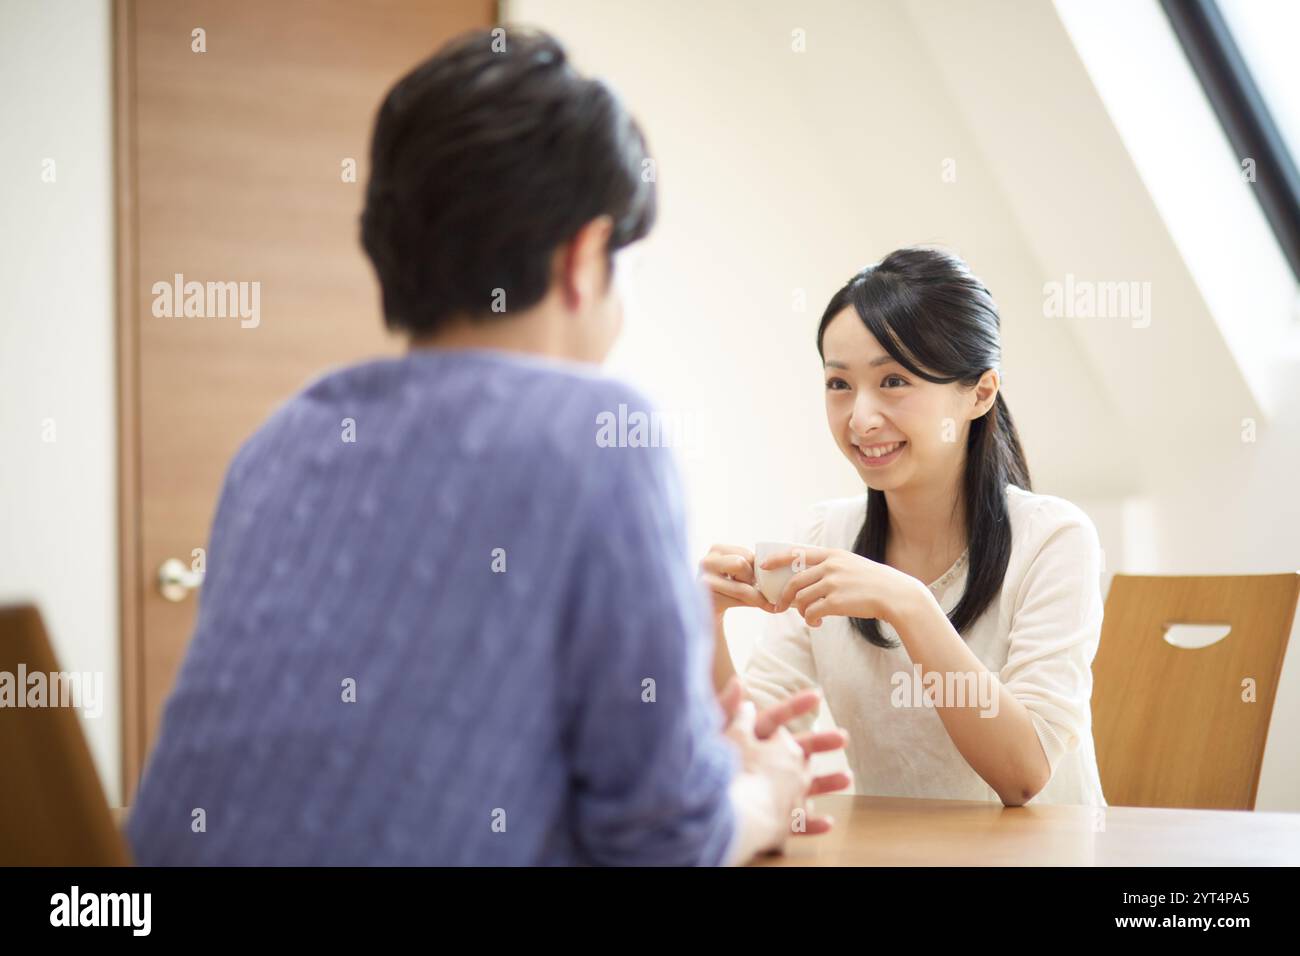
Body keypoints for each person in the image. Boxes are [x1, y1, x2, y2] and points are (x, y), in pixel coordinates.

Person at [127, 28, 848, 866]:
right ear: (584, 259)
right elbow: (658, 843)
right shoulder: (601, 432)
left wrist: (689, 764)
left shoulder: (281, 440)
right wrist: (765, 792)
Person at [700, 247, 1107, 808]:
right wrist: (703, 626)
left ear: (980, 393)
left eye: (893, 380)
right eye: (838, 384)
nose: (860, 419)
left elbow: (1023, 774)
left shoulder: (1054, 539)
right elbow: (753, 743)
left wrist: (910, 605)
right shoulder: (826, 532)